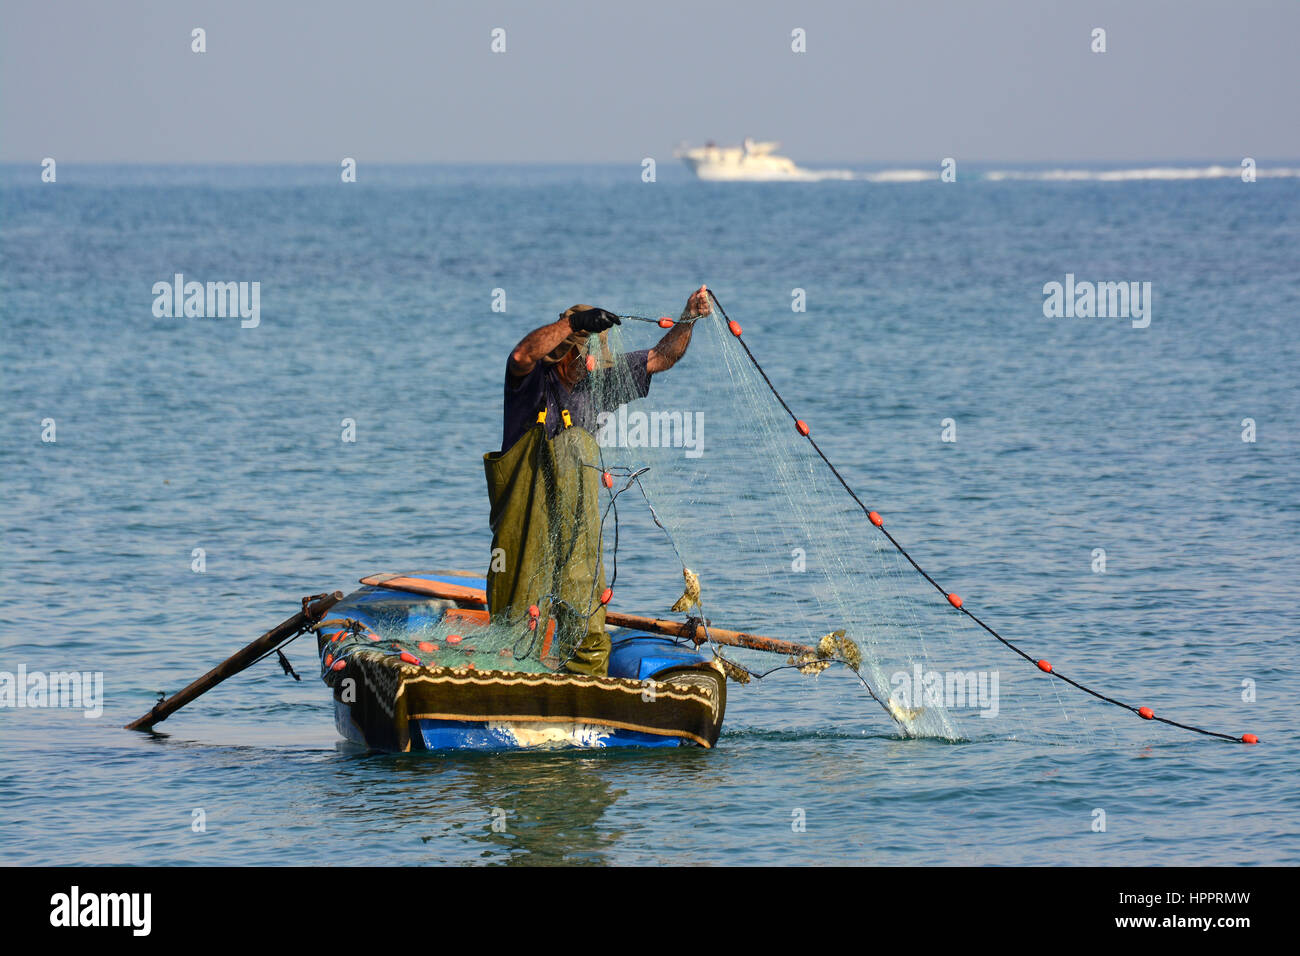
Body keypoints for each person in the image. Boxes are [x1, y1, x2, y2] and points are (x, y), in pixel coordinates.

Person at [484, 286, 711, 676]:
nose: (591, 362)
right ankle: (509, 672)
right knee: (517, 606)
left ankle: (584, 677)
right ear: (565, 351)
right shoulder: (529, 382)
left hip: (578, 527)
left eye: (595, 355)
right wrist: (572, 324)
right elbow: (521, 355)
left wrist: (688, 317)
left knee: (584, 595)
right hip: (525, 524)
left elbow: (661, 357)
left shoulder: (599, 383)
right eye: (583, 353)